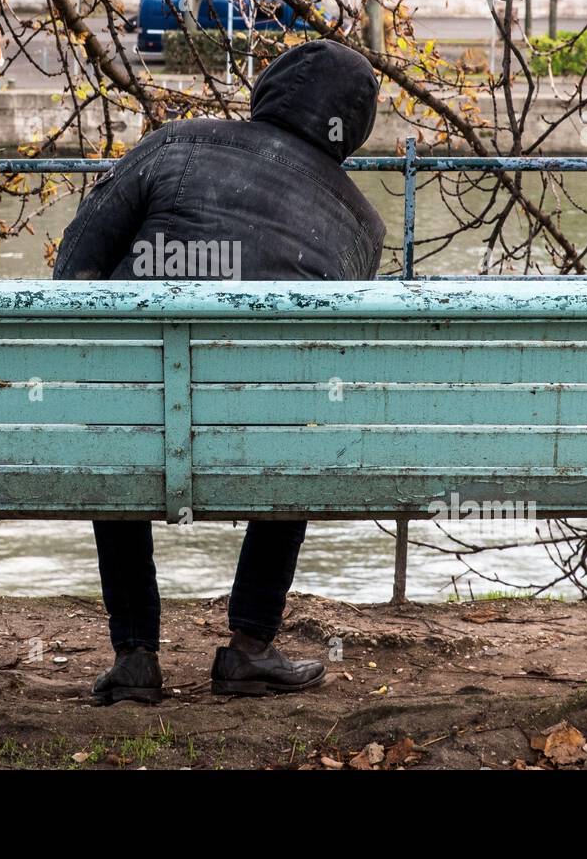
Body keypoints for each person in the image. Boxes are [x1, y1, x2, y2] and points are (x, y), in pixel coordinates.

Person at [53, 39, 386, 705]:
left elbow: (72, 273)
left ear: (270, 89)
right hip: (260, 442)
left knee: (123, 397)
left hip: (136, 425)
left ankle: (136, 655)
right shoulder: (362, 225)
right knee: (296, 423)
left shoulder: (172, 144)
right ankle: (249, 648)